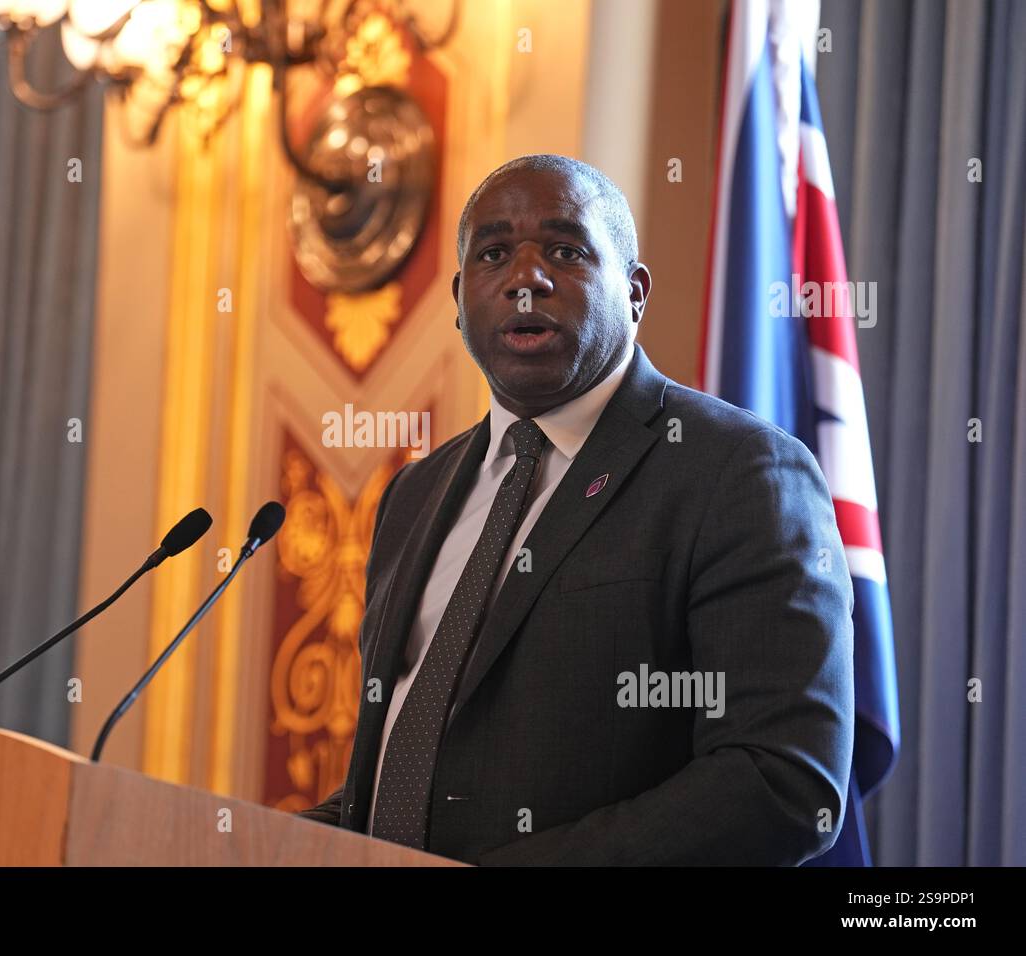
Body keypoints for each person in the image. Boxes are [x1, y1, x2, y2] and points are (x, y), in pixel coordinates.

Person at [296, 154, 854, 866]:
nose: (525, 280)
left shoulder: (737, 471)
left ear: (635, 291)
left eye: (565, 250)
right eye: (495, 254)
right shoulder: (413, 495)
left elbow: (782, 782)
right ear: (462, 298)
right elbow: (403, 780)